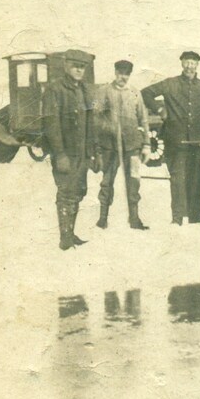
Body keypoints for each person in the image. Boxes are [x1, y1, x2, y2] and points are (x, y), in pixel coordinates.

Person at [141, 51, 200, 225]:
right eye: (187, 62)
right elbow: (146, 93)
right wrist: (160, 110)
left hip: (197, 141)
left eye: (193, 63)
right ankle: (177, 217)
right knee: (177, 178)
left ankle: (195, 215)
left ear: (197, 65)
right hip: (175, 141)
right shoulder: (170, 84)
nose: (190, 66)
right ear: (182, 64)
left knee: (196, 178)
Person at [43, 49, 96, 250]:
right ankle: (65, 238)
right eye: (75, 66)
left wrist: (93, 152)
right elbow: (51, 124)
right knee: (66, 192)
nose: (78, 70)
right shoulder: (55, 90)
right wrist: (60, 154)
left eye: (82, 67)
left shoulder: (85, 91)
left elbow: (91, 122)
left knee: (78, 192)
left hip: (82, 153)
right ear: (66, 66)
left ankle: (71, 233)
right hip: (66, 154)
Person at [93, 60, 152, 231]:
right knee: (107, 181)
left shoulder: (134, 93)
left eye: (126, 74)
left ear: (129, 75)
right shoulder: (103, 91)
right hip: (110, 146)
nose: (122, 77)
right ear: (115, 72)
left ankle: (134, 219)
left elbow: (143, 119)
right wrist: (108, 127)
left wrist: (146, 144)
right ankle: (102, 219)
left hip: (132, 146)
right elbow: (95, 116)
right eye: (120, 73)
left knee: (134, 181)